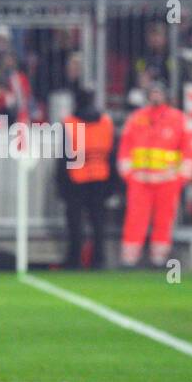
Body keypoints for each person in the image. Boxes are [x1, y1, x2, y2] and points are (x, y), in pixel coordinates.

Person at [116, 80, 192, 267]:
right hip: (140, 179)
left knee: (164, 220)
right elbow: (125, 148)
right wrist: (129, 174)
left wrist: (180, 177)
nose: (155, 96)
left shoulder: (178, 120)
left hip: (167, 179)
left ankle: (159, 259)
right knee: (135, 219)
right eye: (153, 93)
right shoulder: (136, 119)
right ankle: (129, 259)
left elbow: (188, 150)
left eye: (159, 93)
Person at [58, 88, 115, 269]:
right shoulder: (106, 122)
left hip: (76, 178)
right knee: (98, 222)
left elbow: (65, 156)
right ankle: (98, 259)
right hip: (101, 176)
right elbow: (112, 153)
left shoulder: (70, 123)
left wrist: (61, 184)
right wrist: (113, 184)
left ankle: (74, 259)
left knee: (75, 223)